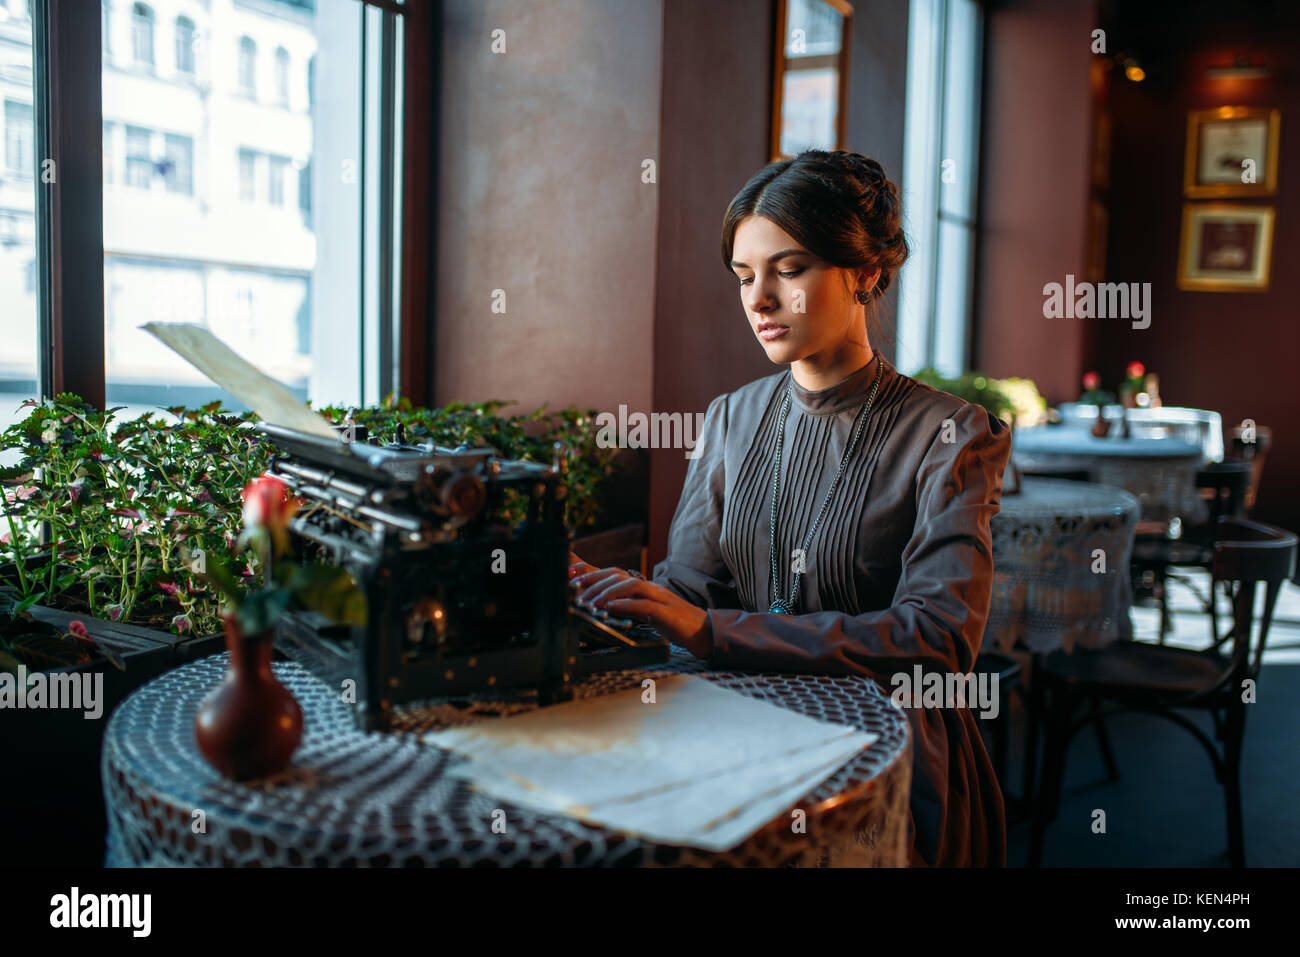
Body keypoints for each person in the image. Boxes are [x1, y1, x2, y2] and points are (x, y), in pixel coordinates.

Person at [569, 149, 1011, 867]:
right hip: (729, 731)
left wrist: (714, 630)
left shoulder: (950, 433)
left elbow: (937, 641)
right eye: (745, 276)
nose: (759, 299)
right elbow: (688, 595)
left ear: (865, 272)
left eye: (790, 268)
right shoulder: (729, 418)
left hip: (882, 758)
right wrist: (603, 595)